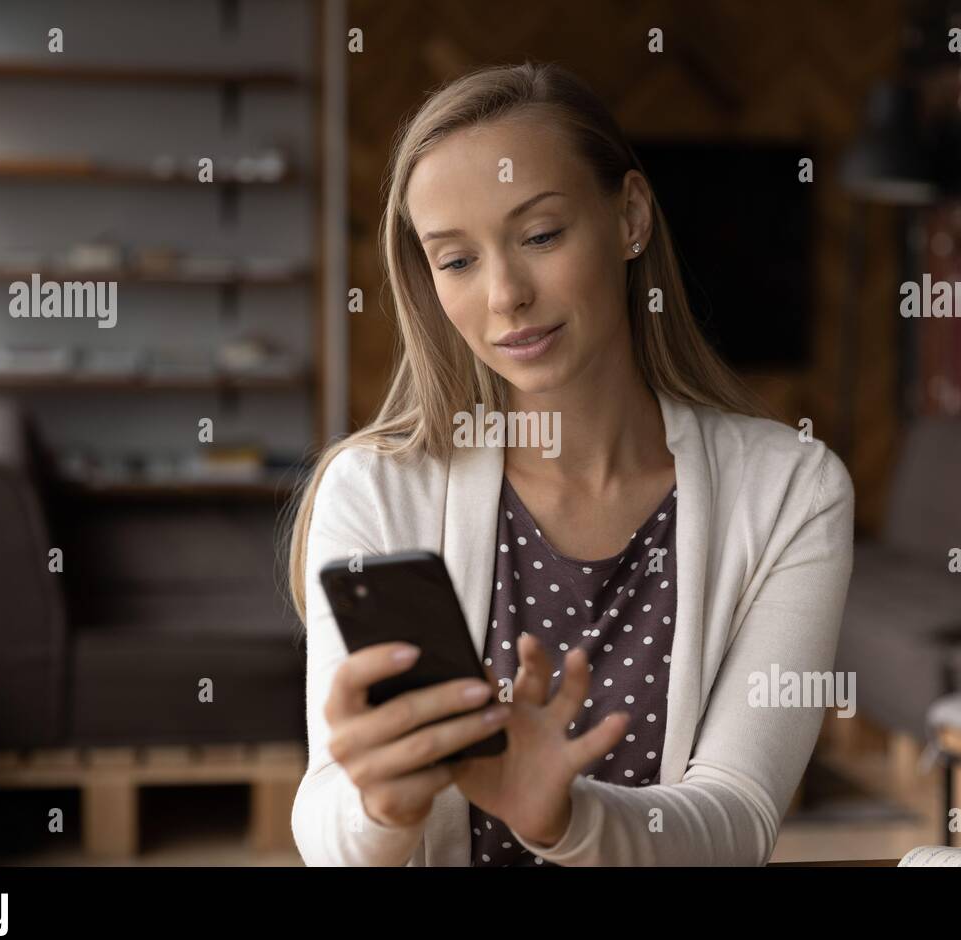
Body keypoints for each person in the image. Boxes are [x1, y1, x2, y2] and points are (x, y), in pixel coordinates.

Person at [287, 61, 855, 866]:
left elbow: (738, 820)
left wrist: (562, 817)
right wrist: (380, 805)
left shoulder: (793, 491)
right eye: (457, 260)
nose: (505, 294)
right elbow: (324, 821)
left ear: (629, 216)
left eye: (541, 235)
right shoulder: (377, 490)